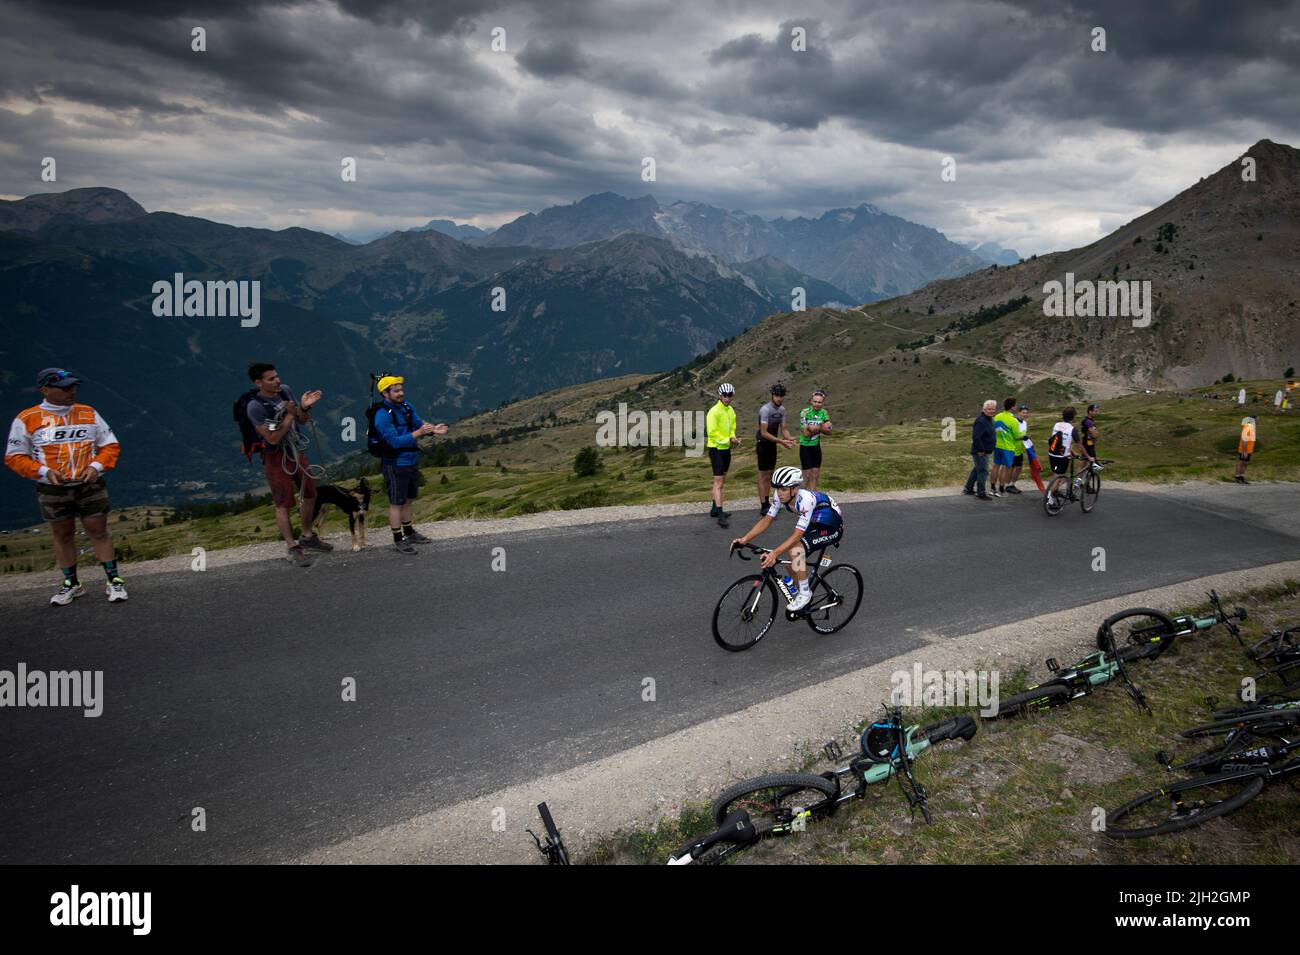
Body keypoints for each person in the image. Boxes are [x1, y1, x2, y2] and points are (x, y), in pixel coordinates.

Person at [5, 368, 127, 605]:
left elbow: (110, 445)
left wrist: (96, 467)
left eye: (74, 387)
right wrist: (43, 472)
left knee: (98, 530)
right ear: (45, 390)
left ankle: (114, 581)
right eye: (65, 388)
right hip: (52, 488)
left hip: (88, 484)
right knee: (62, 534)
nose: (72, 391)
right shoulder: (27, 418)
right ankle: (71, 584)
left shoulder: (88, 413)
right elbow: (15, 456)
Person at [245, 362, 331, 567]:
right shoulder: (255, 406)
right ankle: (292, 546)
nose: (277, 381)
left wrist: (303, 408)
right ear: (258, 383)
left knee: (310, 493)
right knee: (283, 503)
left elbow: (302, 420)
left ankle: (307, 535)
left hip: (296, 451)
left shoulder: (285, 391)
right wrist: (290, 414)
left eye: (276, 376)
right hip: (275, 457)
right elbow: (272, 438)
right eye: (271, 379)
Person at [730, 465, 843, 612]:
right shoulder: (780, 496)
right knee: (791, 563)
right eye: (777, 489)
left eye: (783, 489)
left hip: (831, 527)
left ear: (795, 489)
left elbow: (797, 535)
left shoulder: (805, 500)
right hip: (814, 522)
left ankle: (805, 594)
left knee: (796, 551)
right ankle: (801, 591)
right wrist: (744, 539)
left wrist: (774, 553)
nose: (779, 493)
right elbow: (767, 519)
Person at [371, 374, 447, 554]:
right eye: (396, 391)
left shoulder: (406, 406)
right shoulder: (382, 415)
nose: (401, 393)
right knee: (396, 502)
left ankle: (409, 531)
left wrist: (434, 430)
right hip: (395, 463)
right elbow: (394, 442)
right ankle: (398, 539)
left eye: (401, 389)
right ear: (385, 393)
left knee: (408, 499)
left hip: (411, 460)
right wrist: (419, 433)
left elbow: (419, 424)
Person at [755, 383, 797, 514]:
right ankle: (763, 505)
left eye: (781, 396)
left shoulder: (782, 410)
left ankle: (769, 502)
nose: (779, 398)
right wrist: (780, 441)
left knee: (770, 474)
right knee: (763, 475)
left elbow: (783, 429)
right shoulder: (765, 410)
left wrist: (789, 438)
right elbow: (764, 432)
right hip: (763, 442)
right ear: (772, 395)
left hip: (772, 443)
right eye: (776, 395)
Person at [705, 382, 742, 527]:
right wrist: (728, 439)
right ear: (720, 396)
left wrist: (733, 438)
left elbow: (732, 428)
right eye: (725, 395)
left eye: (729, 395)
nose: (727, 398)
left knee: (720, 481)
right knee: (719, 482)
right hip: (715, 449)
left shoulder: (731, 411)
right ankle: (720, 514)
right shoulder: (713, 411)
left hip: (726, 449)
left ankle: (714, 508)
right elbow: (712, 433)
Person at [798, 390, 832, 491]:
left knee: (815, 474)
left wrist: (817, 427)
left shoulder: (824, 413)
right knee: (807, 475)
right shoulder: (805, 412)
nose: (817, 404)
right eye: (815, 401)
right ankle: (798, 498)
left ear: (823, 403)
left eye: (819, 402)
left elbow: (830, 432)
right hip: (805, 447)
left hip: (816, 447)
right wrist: (821, 427)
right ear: (811, 401)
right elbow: (806, 434)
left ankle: (812, 498)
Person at [963, 400, 997, 500]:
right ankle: (980, 492)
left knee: (977, 469)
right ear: (984, 409)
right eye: (989, 409)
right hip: (981, 451)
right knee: (983, 471)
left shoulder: (990, 419)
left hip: (986, 450)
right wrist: (981, 449)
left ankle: (968, 488)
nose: (991, 411)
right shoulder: (981, 421)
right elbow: (976, 437)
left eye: (993, 409)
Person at [991, 397, 1020, 496]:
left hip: (997, 445)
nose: (1016, 407)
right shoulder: (1014, 420)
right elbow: (1017, 436)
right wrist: (1023, 437)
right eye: (1015, 405)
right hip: (1008, 447)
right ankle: (1001, 490)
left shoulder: (997, 416)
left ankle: (992, 489)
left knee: (995, 466)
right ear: (1012, 407)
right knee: (1005, 468)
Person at [1235, 416, 1256, 484]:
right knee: (1241, 463)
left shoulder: (1251, 428)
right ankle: (1238, 477)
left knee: (1245, 463)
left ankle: (1241, 477)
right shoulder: (1247, 428)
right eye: (1256, 420)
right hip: (1245, 449)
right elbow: (1244, 440)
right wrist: (1245, 451)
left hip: (1249, 449)